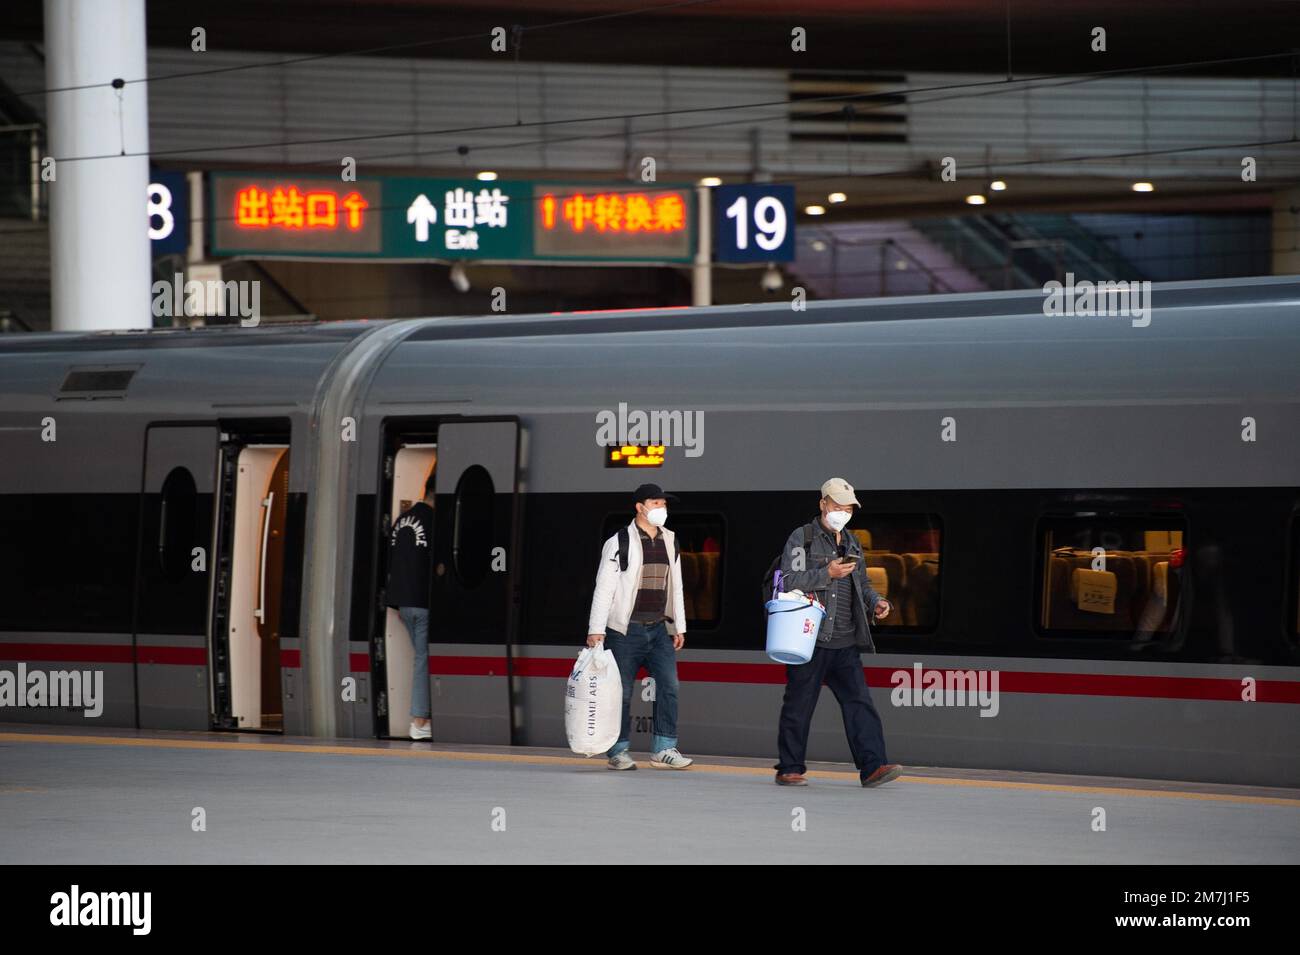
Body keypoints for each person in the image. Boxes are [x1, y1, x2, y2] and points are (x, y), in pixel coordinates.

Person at [772, 478, 902, 788]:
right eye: (837, 506)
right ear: (822, 504)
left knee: (860, 703)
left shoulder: (853, 542)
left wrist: (877, 603)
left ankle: (873, 767)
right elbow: (789, 580)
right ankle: (789, 768)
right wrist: (826, 573)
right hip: (809, 637)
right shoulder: (802, 539)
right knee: (799, 704)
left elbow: (863, 584)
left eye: (848, 508)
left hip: (845, 641)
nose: (842, 512)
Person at [586, 483, 693, 770]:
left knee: (669, 686)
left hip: (659, 628)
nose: (662, 508)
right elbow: (604, 588)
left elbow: (677, 587)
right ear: (640, 507)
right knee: (621, 691)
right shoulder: (619, 541)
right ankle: (618, 750)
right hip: (625, 630)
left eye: (663, 504)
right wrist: (596, 630)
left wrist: (678, 626)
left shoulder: (671, 539)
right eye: (656, 503)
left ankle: (664, 748)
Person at [385, 470, 435, 740]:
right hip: (422, 602)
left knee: (421, 658)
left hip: (402, 603)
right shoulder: (432, 520)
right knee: (423, 660)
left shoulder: (402, 520)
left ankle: (422, 716)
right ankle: (419, 720)